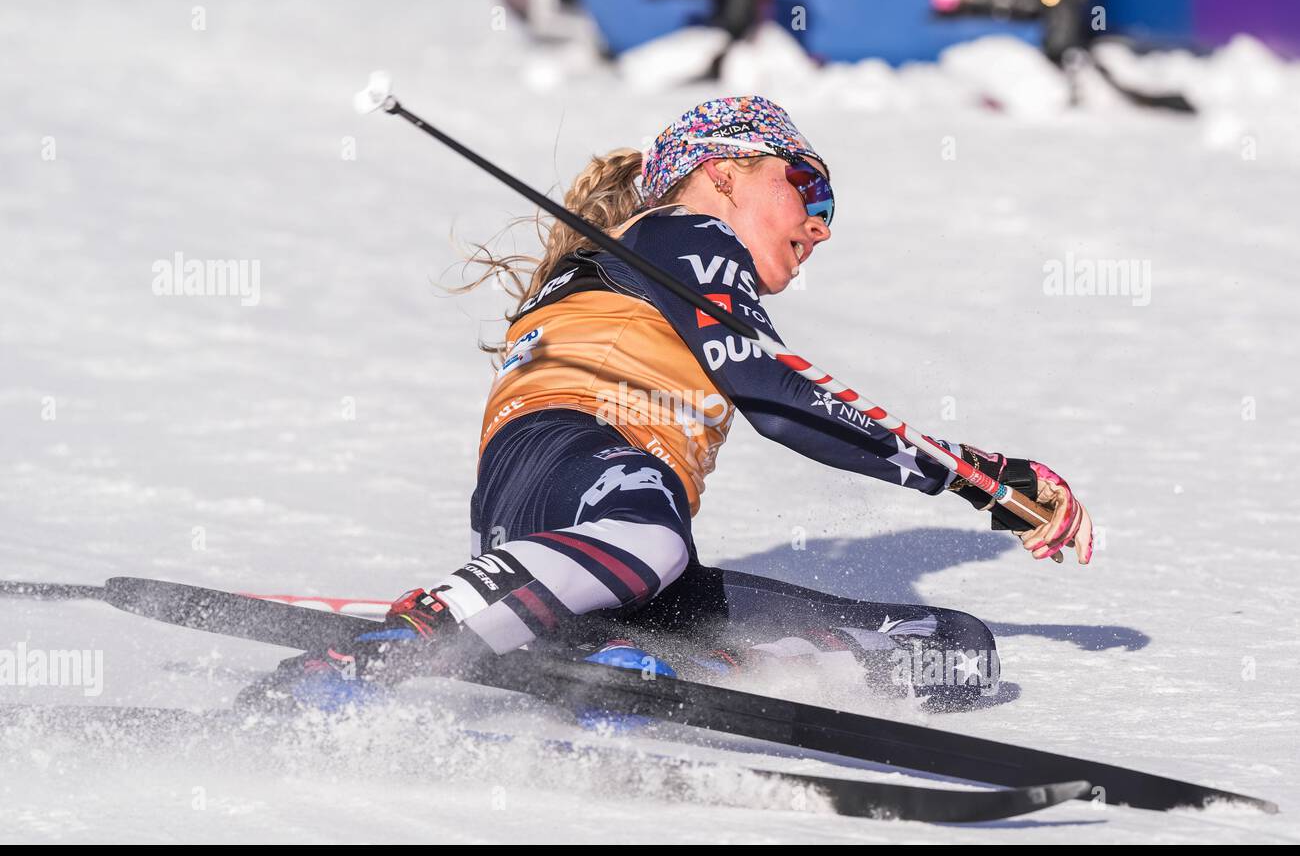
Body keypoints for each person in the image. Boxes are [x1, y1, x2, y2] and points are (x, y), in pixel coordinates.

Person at [240, 95, 1092, 715]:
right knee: (651, 536)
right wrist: (980, 479)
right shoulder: (686, 233)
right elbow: (780, 399)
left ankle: (638, 662)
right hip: (577, 470)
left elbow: (771, 389)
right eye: (809, 191)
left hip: (598, 545)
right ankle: (413, 635)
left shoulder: (666, 264)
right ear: (725, 171)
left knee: (950, 651)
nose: (822, 225)